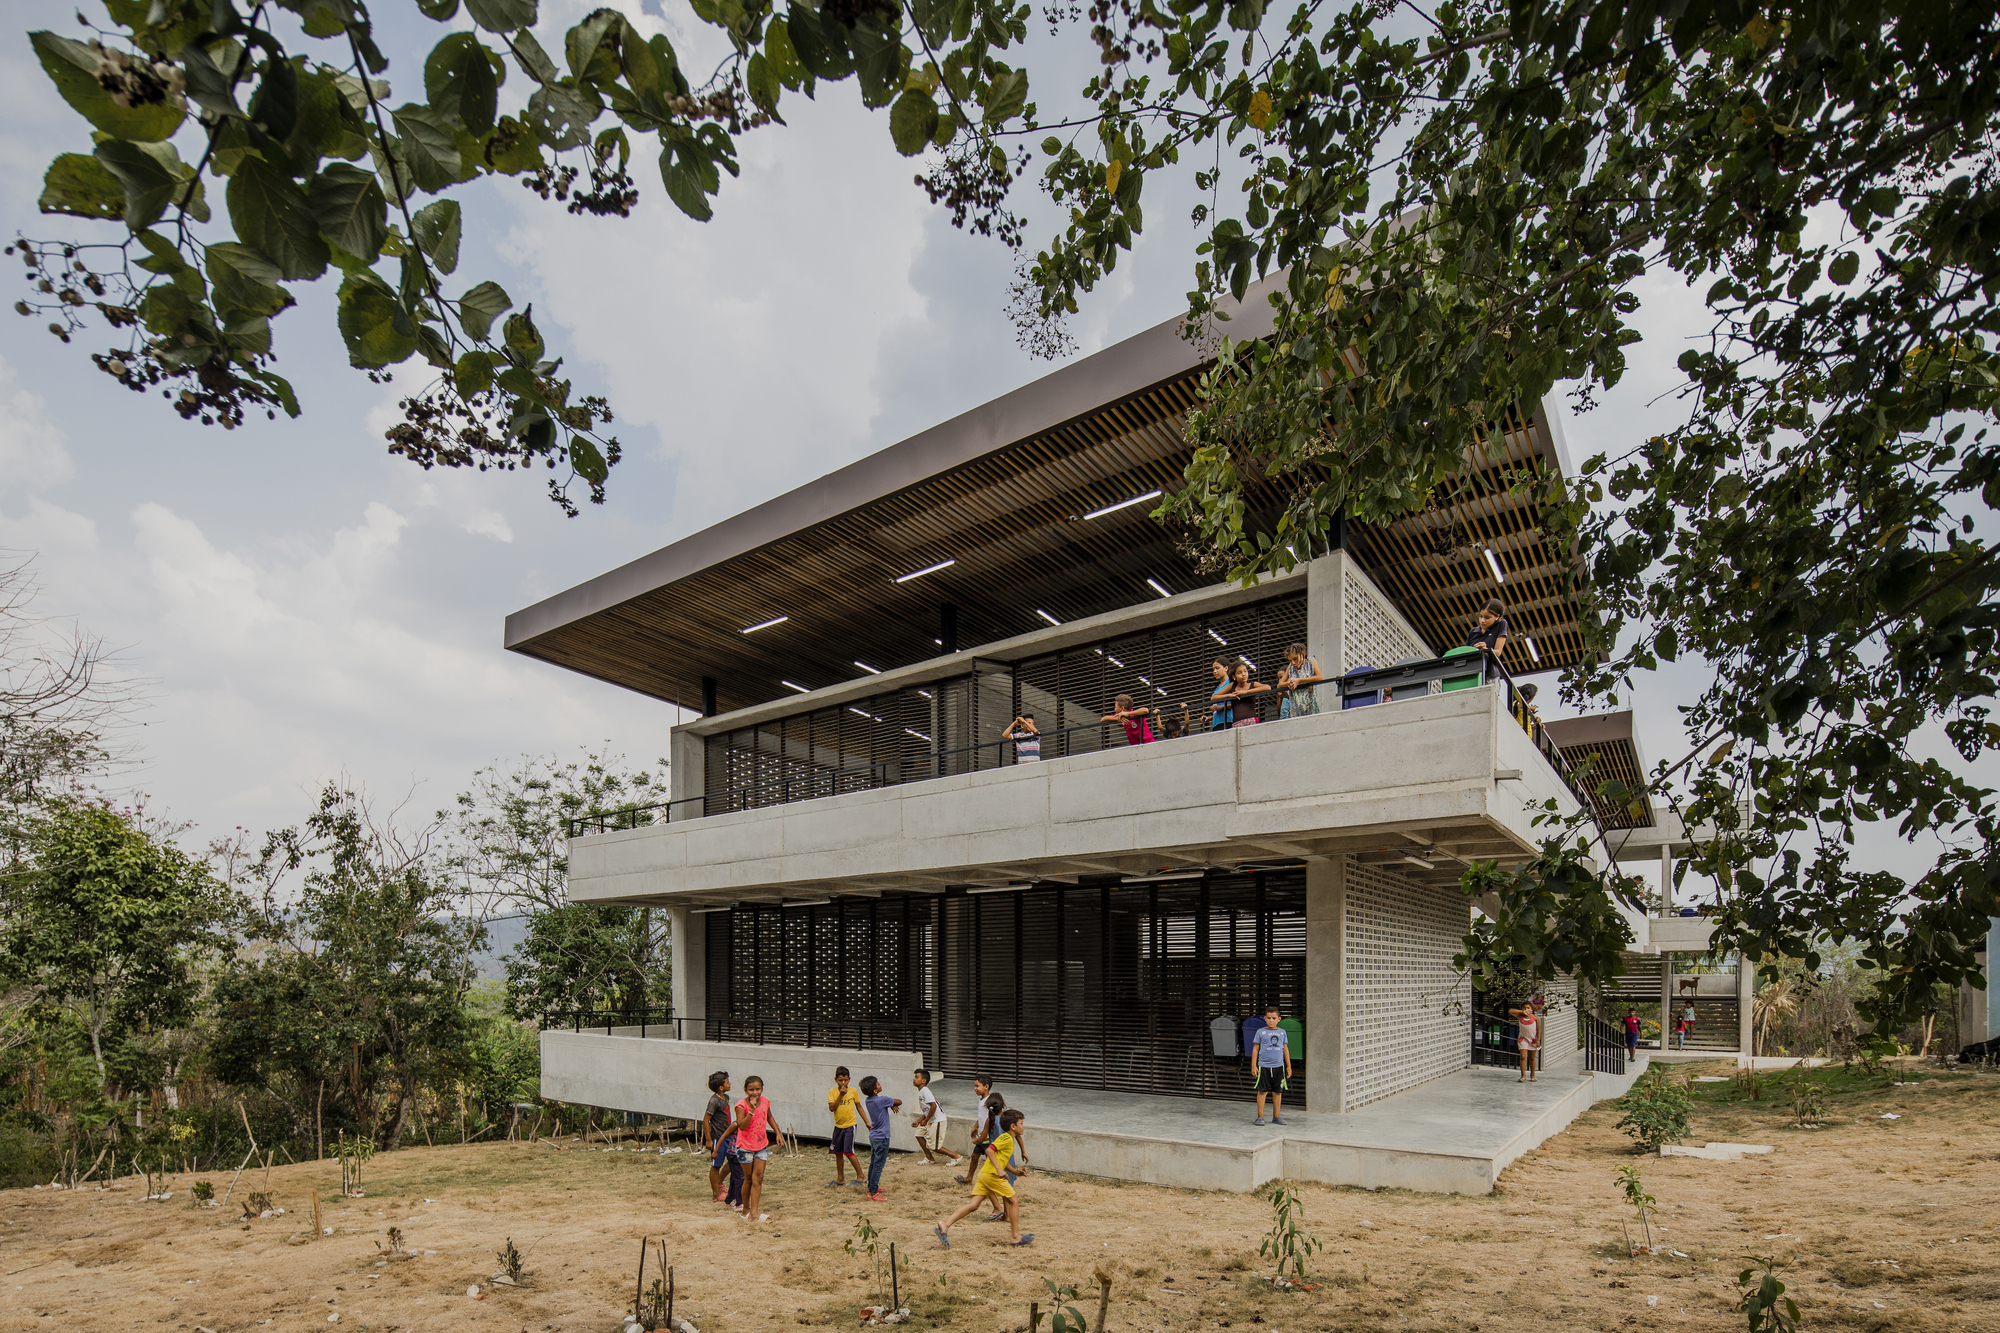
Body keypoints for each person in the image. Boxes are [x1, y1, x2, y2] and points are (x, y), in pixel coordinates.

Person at [934, 1109, 1033, 1248]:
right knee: (1014, 1201)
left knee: (973, 1205)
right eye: (1021, 1123)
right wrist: (998, 1170)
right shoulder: (1006, 1139)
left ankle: (945, 1223)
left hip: (985, 1174)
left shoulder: (1007, 1139)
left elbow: (1002, 1161)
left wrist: (1016, 1172)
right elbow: (989, 1150)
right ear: (1013, 1126)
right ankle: (1016, 1237)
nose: (1024, 1126)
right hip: (991, 1175)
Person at [729, 1074, 785, 1222]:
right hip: (745, 1147)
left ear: (762, 1089)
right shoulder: (741, 1105)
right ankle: (745, 1208)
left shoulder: (765, 1101)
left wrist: (777, 1133)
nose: (755, 1092)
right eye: (751, 1089)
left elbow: (769, 1117)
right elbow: (741, 1125)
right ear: (746, 1090)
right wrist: (752, 1110)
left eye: (758, 1089)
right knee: (748, 1179)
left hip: (761, 1145)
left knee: (758, 1178)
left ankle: (754, 1212)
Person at [703, 1070, 744, 1210]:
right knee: (716, 1165)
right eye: (727, 1082)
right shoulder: (714, 1101)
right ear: (721, 1087)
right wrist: (709, 1140)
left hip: (728, 1136)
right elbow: (706, 1120)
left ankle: (719, 1181)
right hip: (717, 1137)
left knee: (733, 1160)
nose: (730, 1083)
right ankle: (716, 1193)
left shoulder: (725, 1097)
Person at [956, 1076, 1005, 1184]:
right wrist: (976, 1127)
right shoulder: (982, 1100)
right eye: (975, 1086)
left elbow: (990, 1118)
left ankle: (998, 1181)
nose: (975, 1088)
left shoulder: (989, 1102)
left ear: (986, 1087)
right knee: (974, 1156)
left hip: (987, 1137)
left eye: (977, 1086)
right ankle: (969, 1178)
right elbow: (982, 1117)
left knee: (991, 1161)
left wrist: (984, 1134)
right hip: (983, 1135)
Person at [859, 1076, 900, 1201]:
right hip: (882, 1137)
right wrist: (892, 1104)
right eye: (878, 1084)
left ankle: (872, 1186)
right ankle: (872, 1192)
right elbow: (899, 1101)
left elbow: (889, 1103)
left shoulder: (868, 1100)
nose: (880, 1084)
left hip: (874, 1136)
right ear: (875, 1090)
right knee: (878, 1165)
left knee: (873, 1163)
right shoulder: (882, 1100)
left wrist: (890, 1104)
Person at [1250, 1006, 1292, 1124]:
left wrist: (1288, 1066)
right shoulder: (1260, 1032)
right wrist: (1254, 1065)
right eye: (1269, 1018)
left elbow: (1286, 1050)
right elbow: (1255, 1049)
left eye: (1274, 1018)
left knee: (1277, 1092)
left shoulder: (1282, 1032)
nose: (1271, 1020)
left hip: (1279, 1066)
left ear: (1279, 1019)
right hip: (1263, 1066)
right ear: (1265, 1018)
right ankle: (1260, 1117)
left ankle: (1276, 1117)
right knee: (1262, 1091)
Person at [910, 1068, 959, 1167]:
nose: (914, 1079)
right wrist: (919, 1121)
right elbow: (927, 1110)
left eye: (916, 1077)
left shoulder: (925, 1091)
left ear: (923, 1080)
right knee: (919, 1134)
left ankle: (955, 1156)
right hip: (930, 1120)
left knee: (934, 1146)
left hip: (937, 1121)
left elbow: (934, 1106)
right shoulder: (921, 1092)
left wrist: (926, 1120)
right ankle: (929, 1158)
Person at [826, 1066, 864, 1187]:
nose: (843, 1083)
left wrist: (867, 1122)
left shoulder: (853, 1091)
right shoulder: (832, 1092)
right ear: (836, 1080)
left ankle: (861, 1177)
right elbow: (832, 1108)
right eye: (840, 1080)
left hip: (850, 1126)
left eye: (845, 1080)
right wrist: (841, 1095)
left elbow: (859, 1106)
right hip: (838, 1126)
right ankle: (840, 1179)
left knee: (848, 1152)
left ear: (849, 1079)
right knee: (838, 1152)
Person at [1275, 643, 1325, 719]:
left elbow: (1320, 677)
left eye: (1295, 659)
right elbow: (1280, 684)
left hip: (1311, 708)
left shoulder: (1311, 661)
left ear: (1302, 654)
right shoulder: (1290, 667)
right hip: (1295, 711)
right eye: (1290, 660)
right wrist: (1289, 683)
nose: (1293, 663)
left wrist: (1299, 680)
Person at [1228, 661, 1270, 728]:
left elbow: (1267, 687)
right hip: (1237, 722)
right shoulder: (1232, 686)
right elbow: (1214, 697)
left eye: (1245, 671)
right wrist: (1229, 695)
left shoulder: (1252, 684)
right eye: (1239, 673)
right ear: (1234, 676)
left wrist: (1246, 692)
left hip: (1252, 720)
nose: (1243, 674)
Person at [1511, 998, 1542, 1082]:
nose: (1526, 1010)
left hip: (1533, 1040)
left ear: (1531, 1009)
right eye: (1524, 1008)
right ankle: (1523, 1075)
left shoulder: (1535, 1018)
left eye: (1528, 1008)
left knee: (1532, 1057)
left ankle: (1532, 1075)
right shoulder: (1520, 1016)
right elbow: (1511, 1011)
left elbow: (1538, 1029)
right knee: (1523, 1056)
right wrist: (1521, 1012)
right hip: (1523, 1039)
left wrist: (1538, 1040)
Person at [1208, 660, 1234, 730]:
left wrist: (1221, 707)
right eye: (1213, 669)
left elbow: (1237, 703)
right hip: (1216, 722)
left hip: (1228, 720)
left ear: (1226, 668)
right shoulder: (1217, 687)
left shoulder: (1231, 683)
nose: (1214, 671)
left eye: (1217, 668)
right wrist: (1209, 717)